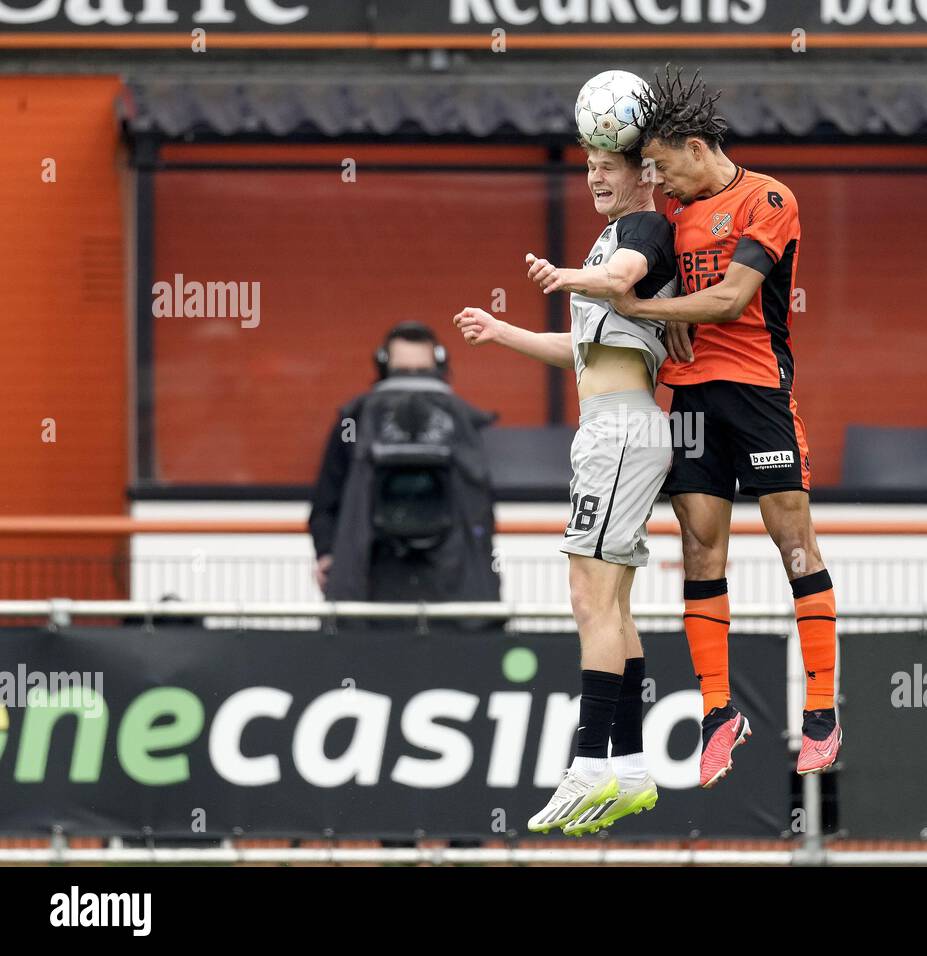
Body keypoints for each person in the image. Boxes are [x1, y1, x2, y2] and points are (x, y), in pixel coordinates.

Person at [608, 67, 842, 787]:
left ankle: (823, 710)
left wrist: (646, 313)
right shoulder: (669, 214)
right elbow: (657, 275)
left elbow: (733, 298)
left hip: (759, 394)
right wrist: (660, 301)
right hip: (692, 401)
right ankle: (718, 713)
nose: (657, 182)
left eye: (662, 165)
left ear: (696, 146)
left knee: (793, 543)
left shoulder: (768, 198)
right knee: (700, 548)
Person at [452, 135, 677, 835]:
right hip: (613, 425)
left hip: (619, 432)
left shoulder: (642, 230)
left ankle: (589, 763)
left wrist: (564, 274)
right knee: (612, 605)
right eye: (590, 167)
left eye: (609, 166)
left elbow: (622, 278)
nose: (596, 178)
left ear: (646, 173)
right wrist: (502, 330)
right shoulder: (609, 241)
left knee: (588, 598)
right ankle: (633, 769)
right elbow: (580, 352)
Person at [308, 322, 500, 605]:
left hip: (399, 578)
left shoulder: (355, 417)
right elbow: (329, 496)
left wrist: (330, 555)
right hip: (392, 573)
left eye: (420, 373)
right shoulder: (355, 420)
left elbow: (326, 501)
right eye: (404, 373)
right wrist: (326, 550)